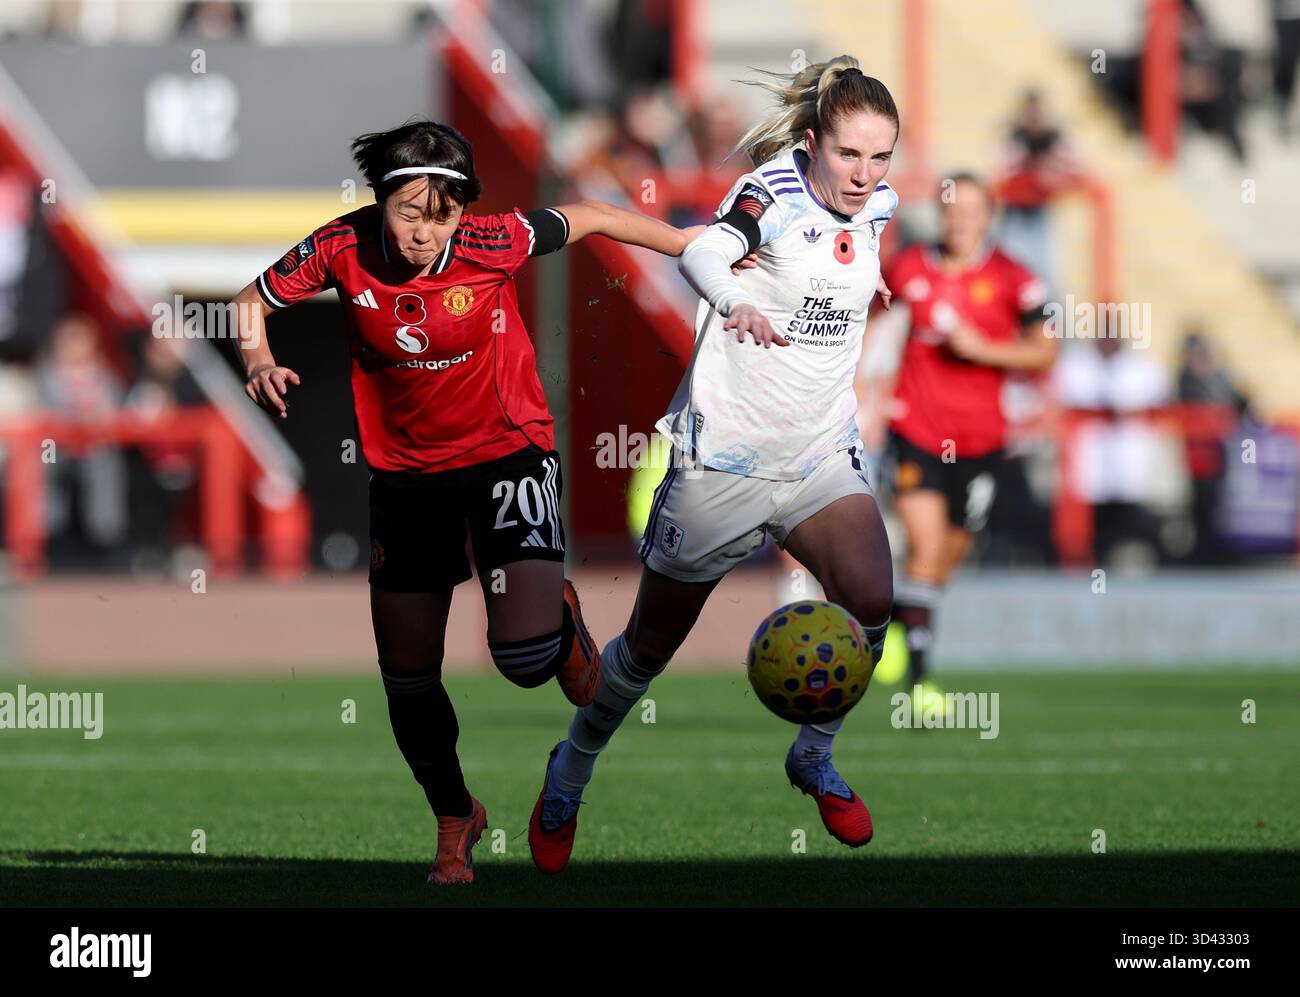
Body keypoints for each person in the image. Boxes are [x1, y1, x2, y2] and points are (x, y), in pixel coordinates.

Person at [231, 120, 703, 885]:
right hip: (404, 479)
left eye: (440, 214)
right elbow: (250, 299)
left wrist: (695, 248)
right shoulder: (340, 247)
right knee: (407, 673)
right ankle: (456, 817)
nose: (423, 232)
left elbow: (596, 215)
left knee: (522, 661)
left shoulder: (493, 241)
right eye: (407, 212)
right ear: (380, 201)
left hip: (506, 453)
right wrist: (257, 359)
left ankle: (558, 618)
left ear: (462, 210)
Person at [529, 56, 900, 874]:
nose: (865, 175)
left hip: (816, 454)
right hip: (726, 456)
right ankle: (572, 768)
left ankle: (814, 754)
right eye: (849, 156)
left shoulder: (881, 207)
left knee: (872, 597)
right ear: (812, 144)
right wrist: (735, 304)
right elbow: (703, 254)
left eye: (880, 158)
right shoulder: (771, 194)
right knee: (648, 650)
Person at [878, 174, 1056, 703]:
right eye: (951, 210)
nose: (960, 221)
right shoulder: (907, 266)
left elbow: (1044, 353)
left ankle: (899, 619)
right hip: (914, 428)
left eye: (971, 211)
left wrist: (985, 350)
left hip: (981, 441)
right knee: (925, 546)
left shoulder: (1014, 279)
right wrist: (869, 391)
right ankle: (920, 684)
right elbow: (869, 324)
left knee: (945, 558)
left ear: (988, 216)